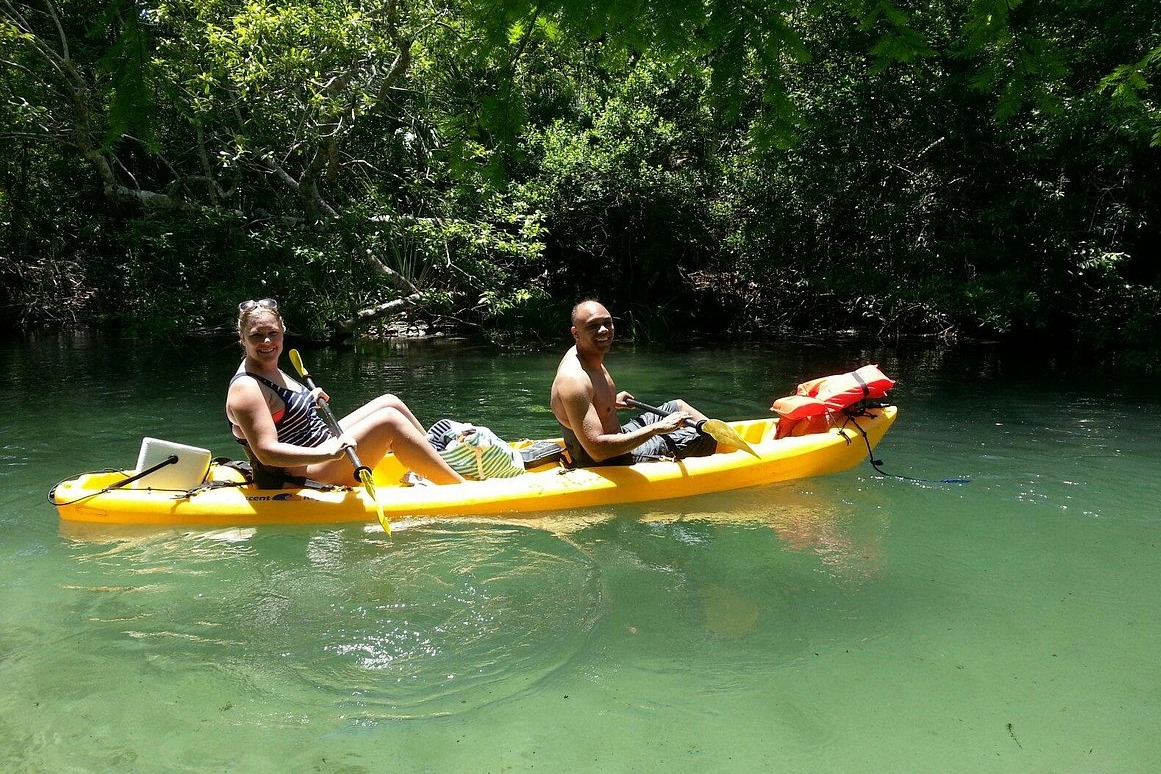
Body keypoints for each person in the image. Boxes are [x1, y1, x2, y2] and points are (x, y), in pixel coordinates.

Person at [226, 298, 465, 487]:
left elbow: (281, 410)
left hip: (321, 445)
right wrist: (329, 454)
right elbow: (267, 452)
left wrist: (306, 400)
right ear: (242, 337)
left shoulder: (270, 367)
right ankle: (458, 487)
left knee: (389, 402)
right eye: (257, 335)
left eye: (273, 333)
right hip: (304, 472)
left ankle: (438, 461)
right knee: (389, 421)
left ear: (282, 330)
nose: (267, 341)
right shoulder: (246, 388)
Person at [550, 299, 718, 467]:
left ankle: (725, 440)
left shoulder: (588, 354)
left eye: (607, 323)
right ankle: (721, 456)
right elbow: (598, 452)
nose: (603, 330)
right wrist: (656, 428)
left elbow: (585, 402)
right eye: (592, 326)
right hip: (612, 459)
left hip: (618, 436)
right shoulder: (574, 380)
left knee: (678, 407)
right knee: (706, 436)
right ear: (576, 333)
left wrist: (609, 402)